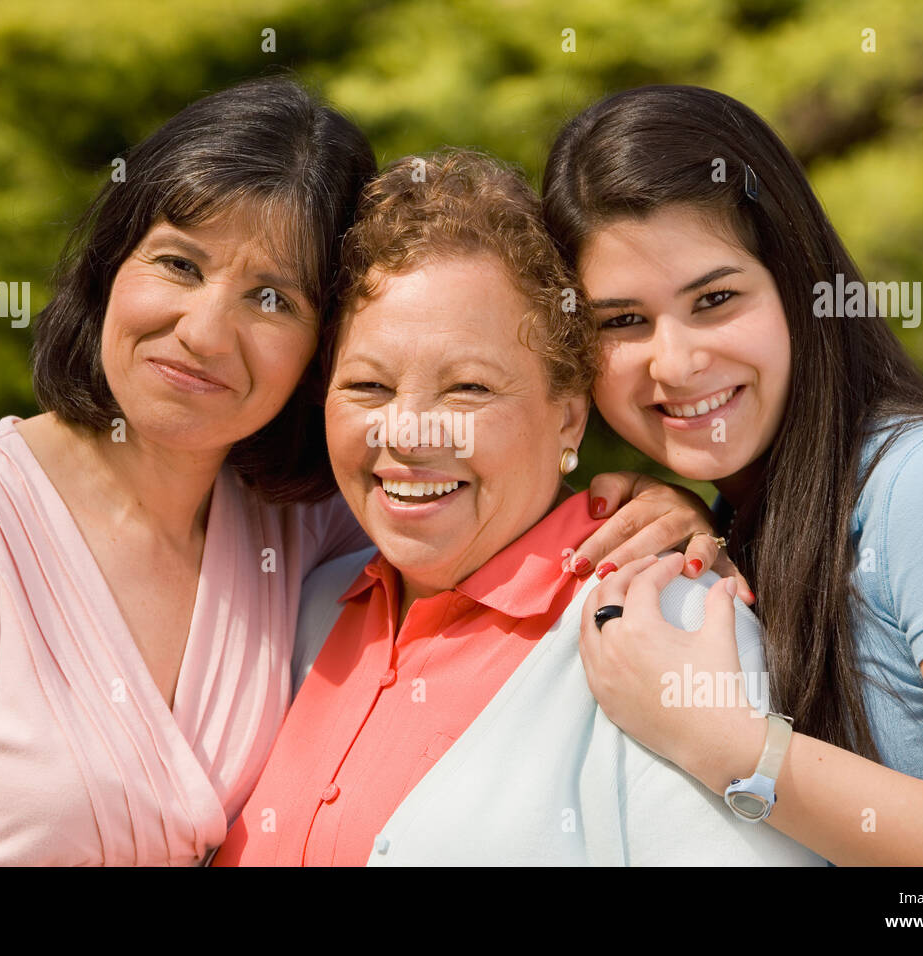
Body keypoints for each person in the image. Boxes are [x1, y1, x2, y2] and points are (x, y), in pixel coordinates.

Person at [0, 77, 379, 865]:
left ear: (323, 349)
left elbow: (496, 551)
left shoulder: (308, 530)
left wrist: (591, 513)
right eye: (180, 265)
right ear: (110, 267)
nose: (203, 333)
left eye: (271, 298)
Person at [212, 150, 823, 866]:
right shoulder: (309, 605)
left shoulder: (672, 619)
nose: (407, 433)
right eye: (369, 388)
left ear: (567, 418)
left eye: (468, 388)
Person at [542, 84, 923, 864]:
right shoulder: (739, 521)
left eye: (715, 299)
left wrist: (725, 743)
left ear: (798, 285)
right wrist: (702, 531)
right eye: (623, 321)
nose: (678, 361)